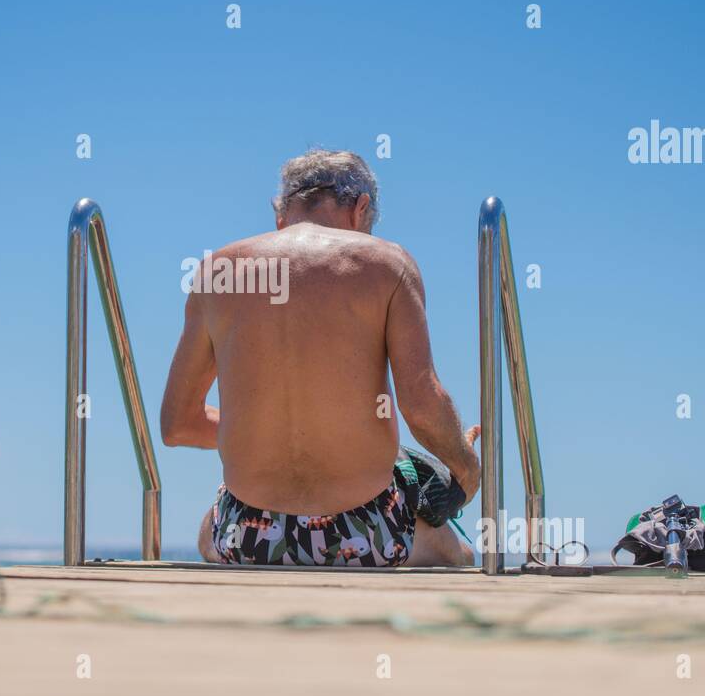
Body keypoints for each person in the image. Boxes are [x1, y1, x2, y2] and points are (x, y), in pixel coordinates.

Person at [160, 150, 481, 566]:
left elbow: (177, 424)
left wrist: (270, 425)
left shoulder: (216, 272)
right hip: (365, 537)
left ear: (281, 214)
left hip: (246, 538)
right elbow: (421, 404)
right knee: (464, 556)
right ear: (361, 209)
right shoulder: (388, 264)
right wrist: (466, 468)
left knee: (209, 524)